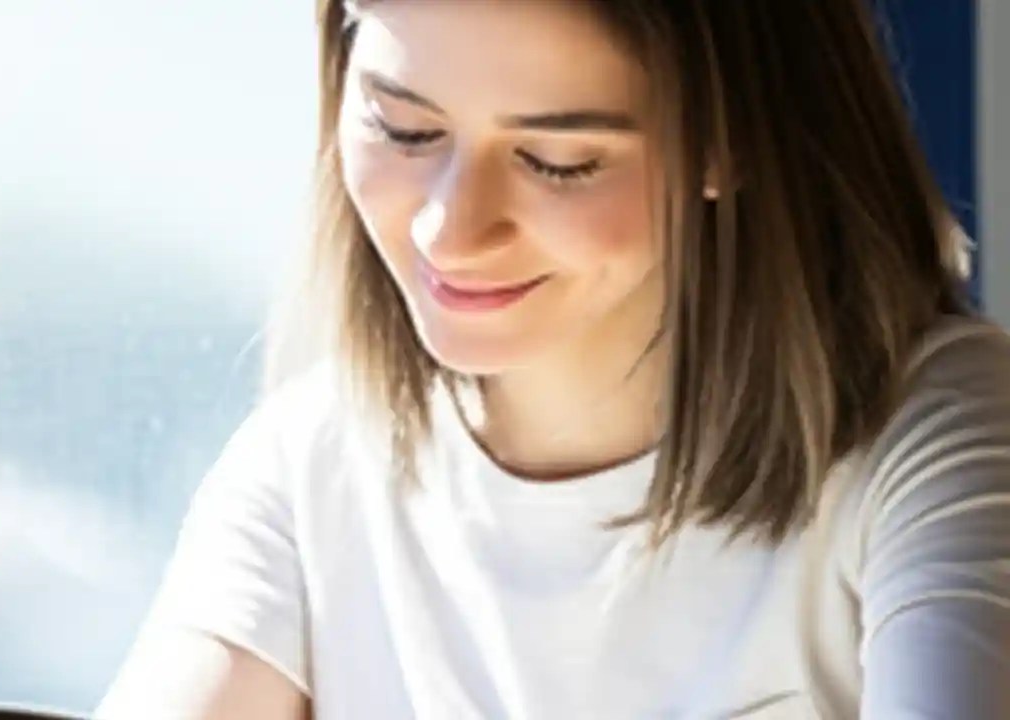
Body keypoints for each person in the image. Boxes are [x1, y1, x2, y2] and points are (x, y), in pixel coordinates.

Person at [97, 1, 1009, 717]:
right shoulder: (310, 467)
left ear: (730, 139)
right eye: (404, 129)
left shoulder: (938, 442)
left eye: (558, 161)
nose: (448, 230)